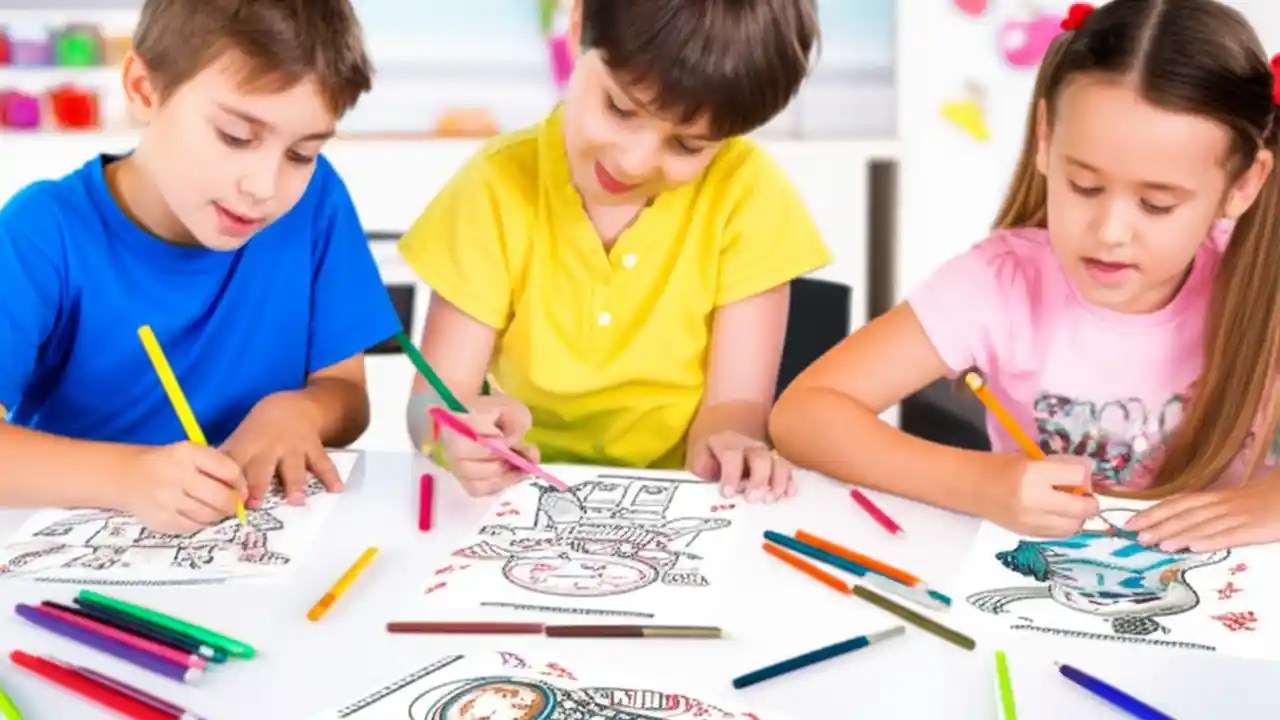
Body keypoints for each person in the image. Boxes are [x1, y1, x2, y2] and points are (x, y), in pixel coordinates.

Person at [771, 0, 1280, 550]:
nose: (1110, 230)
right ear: (1045, 139)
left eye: (1157, 204)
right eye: (1084, 186)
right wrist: (982, 483)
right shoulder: (999, 284)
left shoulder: (1259, 284)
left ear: (1244, 185)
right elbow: (805, 414)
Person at [400, 0, 830, 503]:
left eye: (688, 146)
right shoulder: (494, 187)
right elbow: (429, 404)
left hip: (675, 502)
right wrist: (450, 436)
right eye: (621, 108)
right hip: (511, 500)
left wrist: (731, 445)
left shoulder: (749, 196)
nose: (634, 160)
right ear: (578, 23)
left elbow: (733, 413)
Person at [0, 0, 400, 532]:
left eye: (301, 154)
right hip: (75, 560)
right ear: (144, 89)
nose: (263, 188)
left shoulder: (315, 203)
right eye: (236, 137)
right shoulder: (42, 231)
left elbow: (347, 395)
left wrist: (302, 411)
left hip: (253, 557)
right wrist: (127, 478)